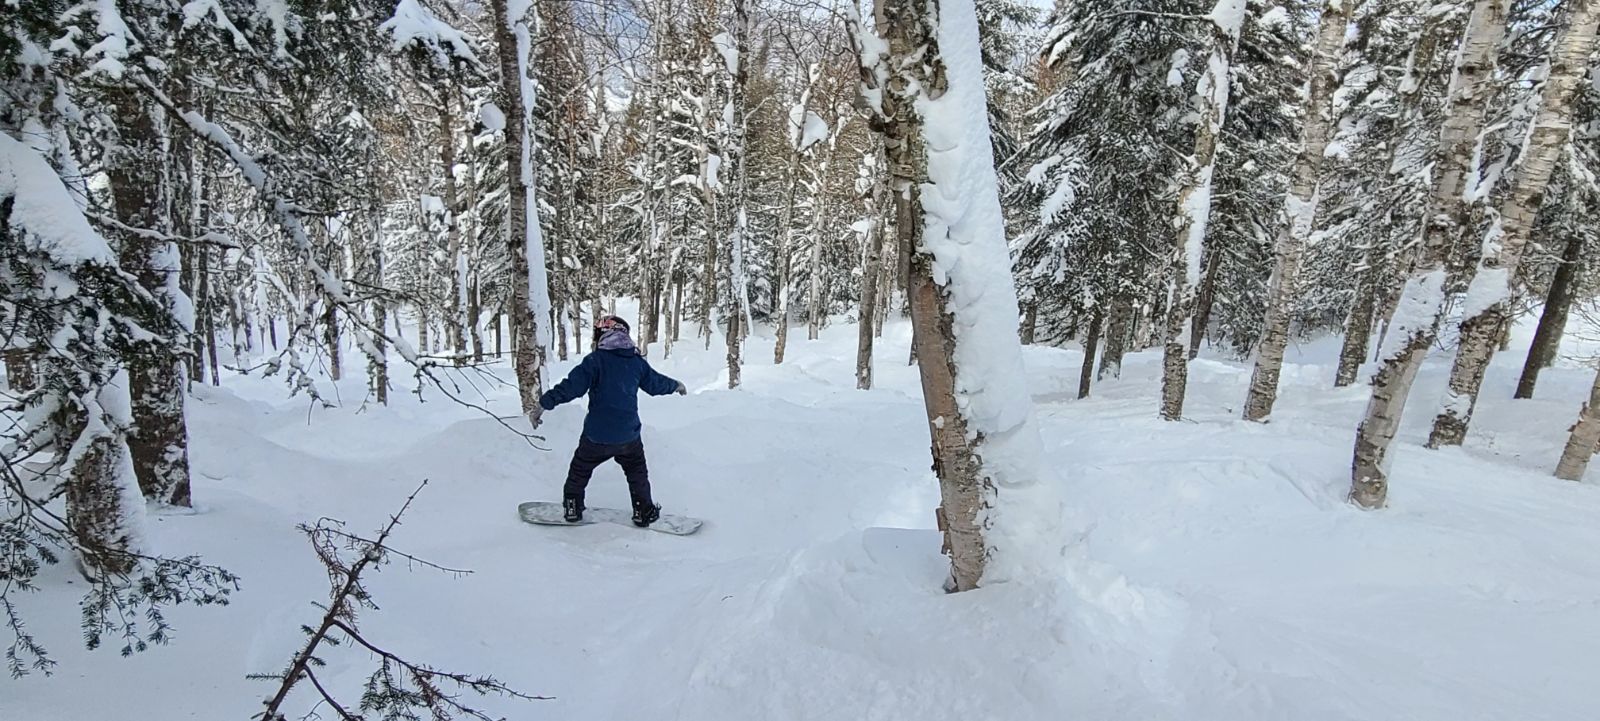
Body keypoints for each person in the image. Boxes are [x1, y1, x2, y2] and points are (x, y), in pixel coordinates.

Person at [529, 315, 686, 527]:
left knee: (580, 469)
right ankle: (643, 511)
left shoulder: (595, 361)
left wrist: (543, 405)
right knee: (636, 471)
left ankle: (573, 507)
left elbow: (570, 387)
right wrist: (675, 385)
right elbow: (655, 384)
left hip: (597, 435)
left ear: (603, 334)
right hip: (628, 436)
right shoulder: (635, 362)